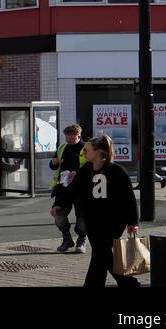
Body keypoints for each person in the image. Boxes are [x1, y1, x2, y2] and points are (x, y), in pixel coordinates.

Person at [57, 135, 140, 288]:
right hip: (92, 220)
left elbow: (128, 198)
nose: (83, 153)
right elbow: (72, 190)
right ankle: (127, 283)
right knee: (101, 254)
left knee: (101, 252)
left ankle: (121, 283)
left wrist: (133, 221)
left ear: (99, 152)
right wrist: (59, 204)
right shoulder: (86, 169)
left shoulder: (116, 171)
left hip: (113, 220)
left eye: (87, 150)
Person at [48, 123, 87, 253]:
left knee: (82, 219)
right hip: (63, 188)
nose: (69, 139)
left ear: (79, 135)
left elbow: (91, 167)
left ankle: (81, 240)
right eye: (67, 136)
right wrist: (54, 163)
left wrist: (77, 172)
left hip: (81, 190)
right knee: (58, 214)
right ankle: (67, 239)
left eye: (72, 136)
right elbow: (53, 165)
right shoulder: (62, 148)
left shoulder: (86, 148)